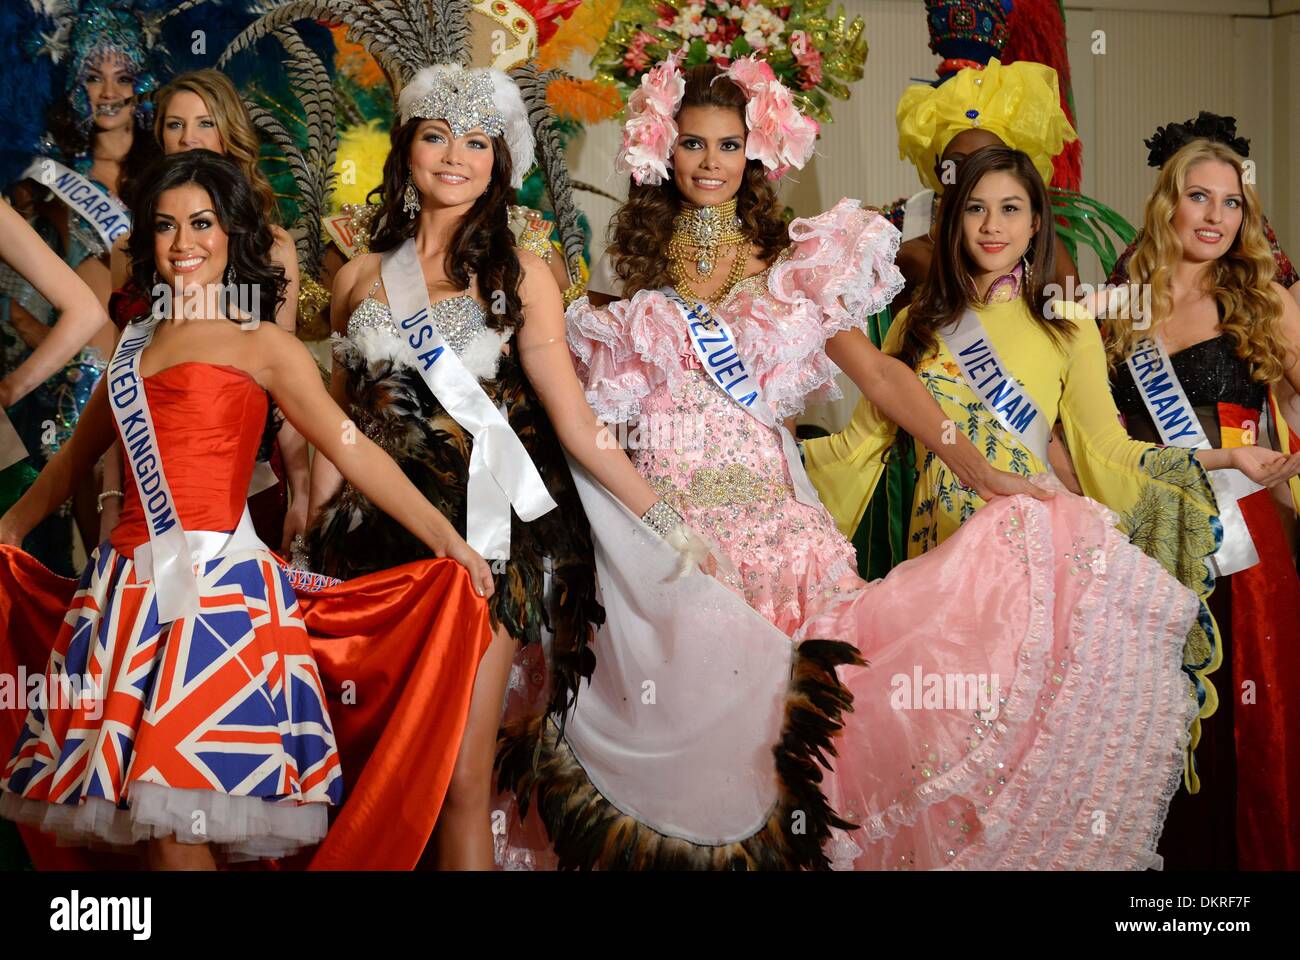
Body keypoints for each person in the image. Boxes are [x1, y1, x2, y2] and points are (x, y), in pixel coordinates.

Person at [494, 57, 1201, 871]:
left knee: (785, 754)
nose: (712, 163)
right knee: (678, 755)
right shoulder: (632, 273)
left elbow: (880, 375)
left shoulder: (789, 267)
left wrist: (978, 470)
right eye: (694, 143)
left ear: (756, 153)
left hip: (772, 534)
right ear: (663, 147)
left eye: (731, 144)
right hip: (663, 531)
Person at [0, 150, 495, 870]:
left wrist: (447, 538)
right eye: (165, 226)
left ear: (232, 232)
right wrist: (10, 527)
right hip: (122, 604)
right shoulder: (134, 346)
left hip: (218, 605)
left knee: (178, 825)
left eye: (201, 223)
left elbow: (353, 450)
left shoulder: (262, 343)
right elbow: (73, 460)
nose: (182, 243)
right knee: (149, 832)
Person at [304, 64, 603, 870]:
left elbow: (572, 419)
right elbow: (337, 427)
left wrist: (664, 519)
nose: (455, 157)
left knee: (461, 779)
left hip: (481, 540)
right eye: (437, 136)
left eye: (477, 143)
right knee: (375, 770)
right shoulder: (358, 277)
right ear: (407, 150)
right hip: (368, 541)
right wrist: (305, 536)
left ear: (499, 164)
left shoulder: (519, 275)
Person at [1103, 135, 1300, 870]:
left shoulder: (1260, 298)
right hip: (1144, 529)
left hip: (1237, 530)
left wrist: (1286, 460)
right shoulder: (1119, 305)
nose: (1214, 215)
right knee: (1151, 714)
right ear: (1168, 203)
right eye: (1199, 196)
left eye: (1232, 202)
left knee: (1242, 710)